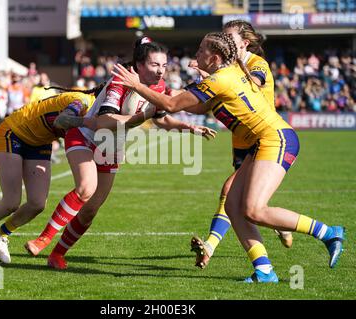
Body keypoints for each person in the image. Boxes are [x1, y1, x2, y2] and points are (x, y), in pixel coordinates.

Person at [112, 32, 345, 283]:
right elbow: (197, 106)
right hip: (263, 142)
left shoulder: (219, 79)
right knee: (233, 207)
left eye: (201, 50)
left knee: (254, 210)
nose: (196, 54)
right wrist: (156, 104)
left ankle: (328, 232)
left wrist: (138, 86)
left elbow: (171, 104)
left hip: (275, 140)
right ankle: (264, 270)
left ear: (213, 58)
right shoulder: (222, 75)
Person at [25, 37, 216, 270]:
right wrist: (141, 117)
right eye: (155, 65)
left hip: (111, 147)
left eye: (164, 65)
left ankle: (57, 254)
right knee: (86, 188)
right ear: (139, 64)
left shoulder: (158, 87)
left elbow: (162, 118)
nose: (160, 71)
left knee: (90, 211)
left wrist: (189, 127)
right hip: (85, 134)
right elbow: (104, 122)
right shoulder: (120, 81)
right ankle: (43, 239)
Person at [189, 20, 293, 270]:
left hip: (264, 136)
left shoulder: (257, 64)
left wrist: (212, 75)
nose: (225, 41)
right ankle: (278, 227)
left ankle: (211, 246)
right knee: (244, 201)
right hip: (242, 139)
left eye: (230, 37)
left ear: (245, 43)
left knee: (231, 192)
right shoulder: (226, 67)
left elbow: (251, 87)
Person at [0, 89, 96, 264]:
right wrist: (89, 123)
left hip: (39, 142)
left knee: (37, 204)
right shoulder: (82, 101)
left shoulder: (94, 107)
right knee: (11, 202)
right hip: (14, 132)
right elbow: (62, 120)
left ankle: (1, 234)